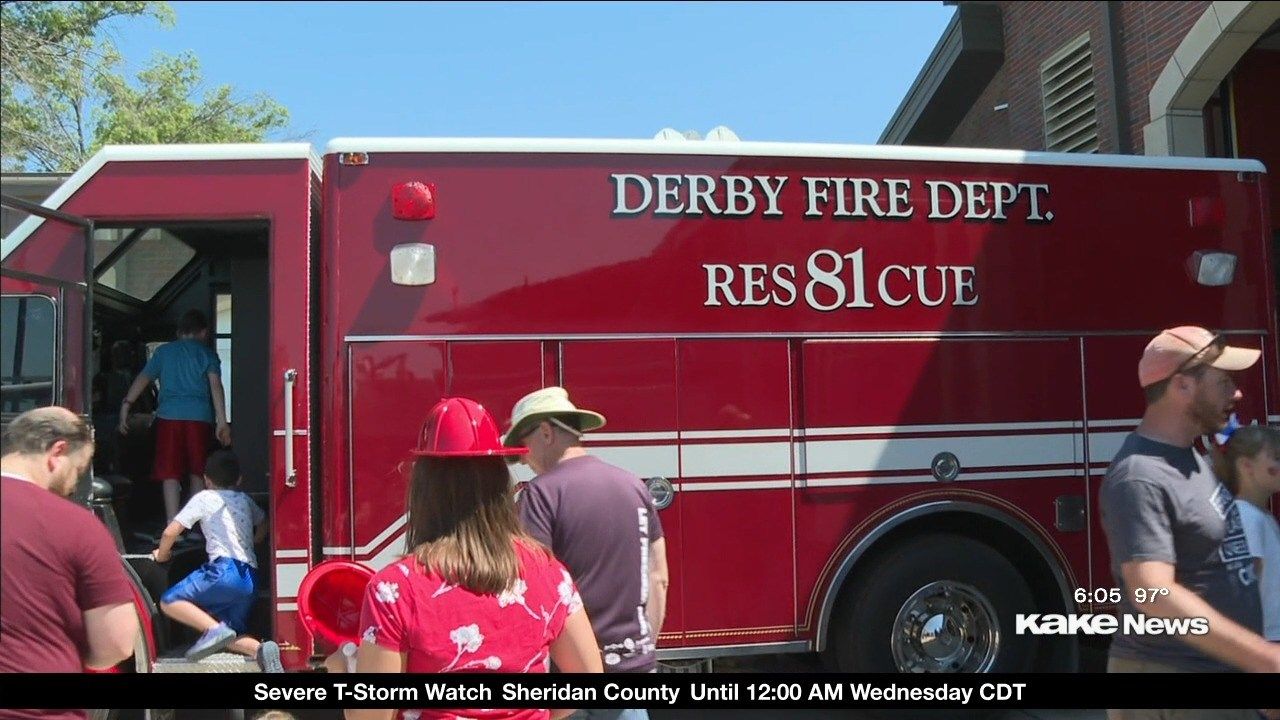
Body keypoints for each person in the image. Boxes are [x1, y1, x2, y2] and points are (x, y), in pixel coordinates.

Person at [344, 397, 603, 720]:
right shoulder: (548, 571)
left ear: (424, 489)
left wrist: (347, 665)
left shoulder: (395, 589)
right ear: (498, 484)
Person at [1099, 327, 1280, 691]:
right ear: (1182, 386)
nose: (1237, 392)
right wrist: (1262, 659)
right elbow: (1152, 593)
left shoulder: (1192, 459)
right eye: (1224, 382)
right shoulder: (1141, 476)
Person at [503, 387, 669, 701]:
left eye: (522, 446)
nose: (522, 460)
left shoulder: (540, 495)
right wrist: (643, 651)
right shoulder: (634, 485)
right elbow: (658, 577)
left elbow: (533, 588)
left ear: (546, 433)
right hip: (635, 669)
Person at [0, 407, 140, 684]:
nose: (73, 485)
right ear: (57, 452)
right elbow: (117, 643)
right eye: (78, 470)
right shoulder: (77, 525)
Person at [152, 448, 281, 671]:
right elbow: (264, 523)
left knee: (170, 601)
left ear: (206, 479)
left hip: (224, 570)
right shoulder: (244, 499)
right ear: (239, 479)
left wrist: (162, 555)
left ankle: (213, 631)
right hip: (249, 577)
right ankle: (262, 651)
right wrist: (253, 541)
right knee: (230, 637)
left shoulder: (204, 497)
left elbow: (170, 532)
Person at [118, 309, 231, 523]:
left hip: (168, 417)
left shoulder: (163, 353)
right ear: (204, 332)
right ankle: (197, 524)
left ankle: (173, 523)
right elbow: (216, 387)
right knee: (197, 471)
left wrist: (126, 405)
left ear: (179, 332)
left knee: (169, 472)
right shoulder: (207, 354)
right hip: (200, 418)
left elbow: (143, 378)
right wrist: (222, 421)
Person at [1211, 423, 1280, 643]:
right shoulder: (1247, 517)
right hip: (1265, 639)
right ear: (1246, 466)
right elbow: (1242, 589)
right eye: (1276, 457)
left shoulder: (1263, 517)